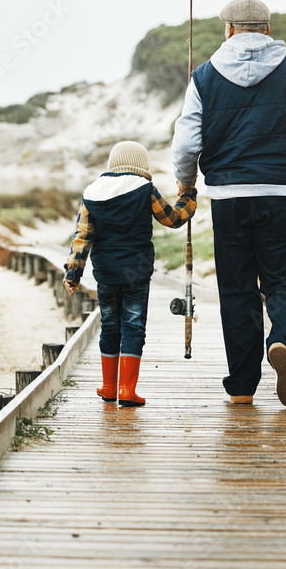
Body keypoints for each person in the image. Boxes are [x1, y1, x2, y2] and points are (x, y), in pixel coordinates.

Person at [171, 0, 286, 407]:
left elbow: (186, 144)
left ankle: (242, 388)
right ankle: (282, 340)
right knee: (285, 281)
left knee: (237, 291)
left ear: (229, 30)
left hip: (230, 200)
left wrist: (186, 183)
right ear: (267, 29)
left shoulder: (204, 76)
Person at [63, 140, 197, 406]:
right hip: (136, 274)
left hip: (105, 275)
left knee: (110, 327)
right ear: (141, 165)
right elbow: (173, 218)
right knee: (133, 328)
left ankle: (109, 387)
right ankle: (127, 390)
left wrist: (72, 273)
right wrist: (189, 196)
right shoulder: (144, 189)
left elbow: (82, 236)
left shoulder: (92, 192)